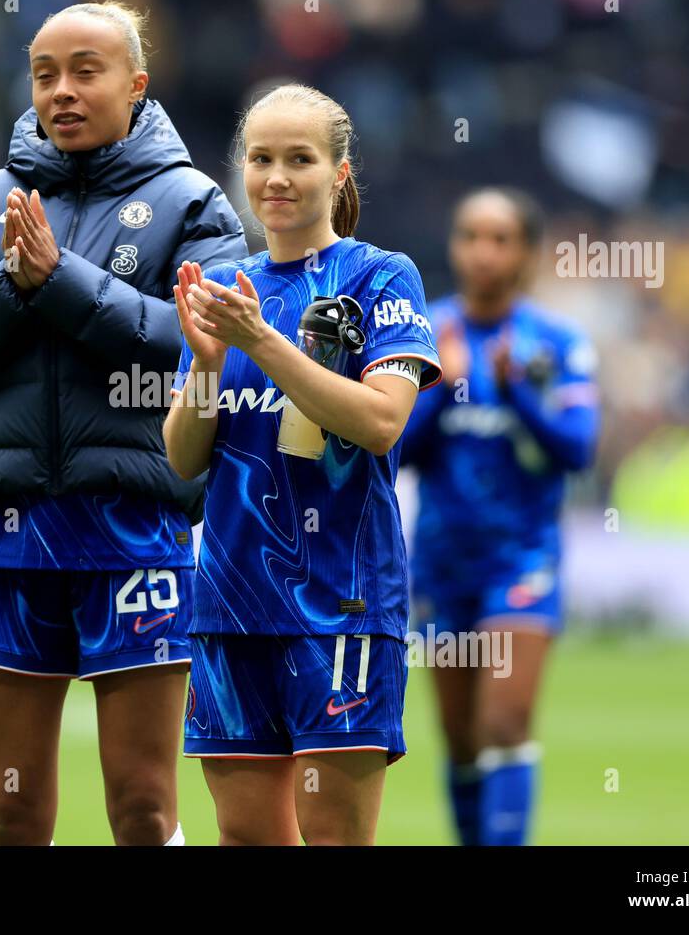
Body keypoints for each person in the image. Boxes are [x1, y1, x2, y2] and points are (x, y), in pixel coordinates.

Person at [0, 0, 247, 846]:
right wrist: (10, 285)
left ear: (136, 83)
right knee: (13, 814)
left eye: (86, 71)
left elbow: (198, 342)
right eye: (45, 73)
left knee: (142, 808)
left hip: (136, 531)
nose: (62, 90)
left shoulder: (192, 202)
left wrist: (56, 281)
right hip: (4, 535)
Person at [163, 84, 441, 845]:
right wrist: (209, 365)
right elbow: (184, 457)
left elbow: (383, 422)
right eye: (261, 158)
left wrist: (263, 344)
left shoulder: (380, 276)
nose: (276, 177)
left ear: (339, 173)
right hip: (229, 604)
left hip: (341, 605)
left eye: (300, 158)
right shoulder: (229, 290)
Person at [400, 187, 600, 845]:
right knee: (461, 743)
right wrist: (438, 388)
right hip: (442, 562)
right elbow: (391, 446)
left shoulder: (555, 343)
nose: (483, 252)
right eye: (470, 235)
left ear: (528, 254)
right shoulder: (423, 333)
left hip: (521, 559)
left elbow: (579, 446)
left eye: (500, 238)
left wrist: (520, 393)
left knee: (505, 724)